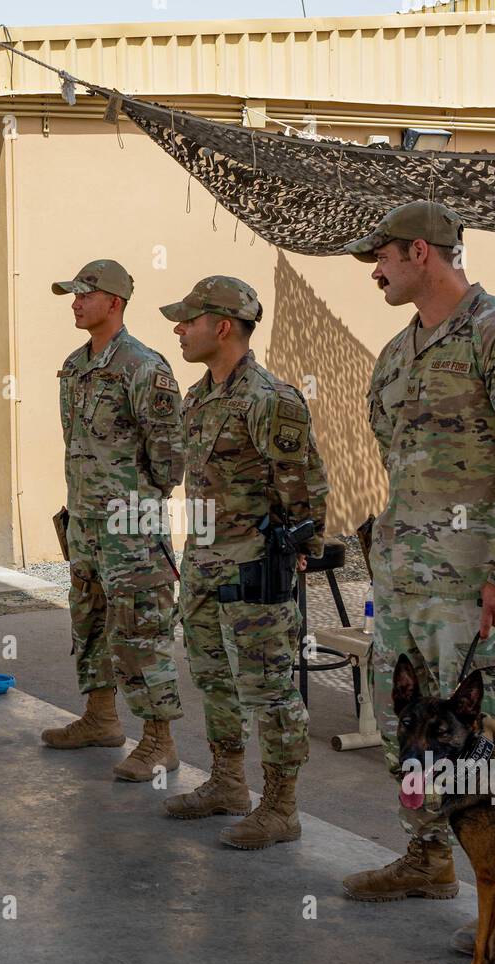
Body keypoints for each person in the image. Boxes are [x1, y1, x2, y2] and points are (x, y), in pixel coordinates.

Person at [338, 201, 495, 950]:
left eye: (380, 257)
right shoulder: (395, 355)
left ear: (420, 252)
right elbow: (396, 460)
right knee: (407, 731)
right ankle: (426, 855)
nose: (373, 271)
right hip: (406, 589)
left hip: (477, 595)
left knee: (490, 747)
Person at [159, 277, 329, 849]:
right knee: (214, 679)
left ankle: (281, 807)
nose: (179, 330)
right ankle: (228, 784)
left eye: (188, 320)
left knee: (270, 690)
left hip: (254, 570)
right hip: (203, 564)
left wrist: (300, 551)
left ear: (222, 326)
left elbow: (303, 488)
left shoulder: (270, 400)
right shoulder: (198, 397)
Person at [39, 260, 186, 781]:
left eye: (84, 294)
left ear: (115, 303)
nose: (76, 303)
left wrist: (133, 500)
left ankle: (158, 741)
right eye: (73, 295)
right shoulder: (75, 366)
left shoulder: (145, 367)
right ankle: (101, 718)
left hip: (132, 529)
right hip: (84, 522)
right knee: (91, 622)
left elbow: (170, 458)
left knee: (140, 631)